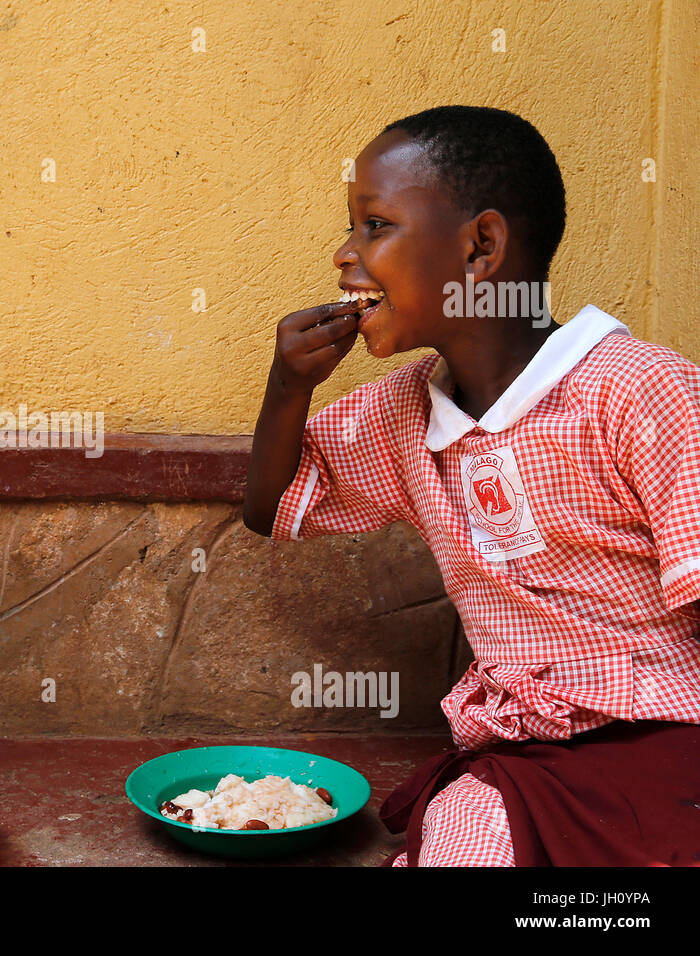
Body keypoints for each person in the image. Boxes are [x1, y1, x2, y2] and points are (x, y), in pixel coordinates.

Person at [243, 105, 700, 866]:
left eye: (374, 225)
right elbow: (271, 508)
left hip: (672, 745)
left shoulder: (640, 391)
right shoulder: (404, 411)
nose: (343, 255)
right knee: (463, 839)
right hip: (528, 765)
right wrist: (288, 385)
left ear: (480, 247)